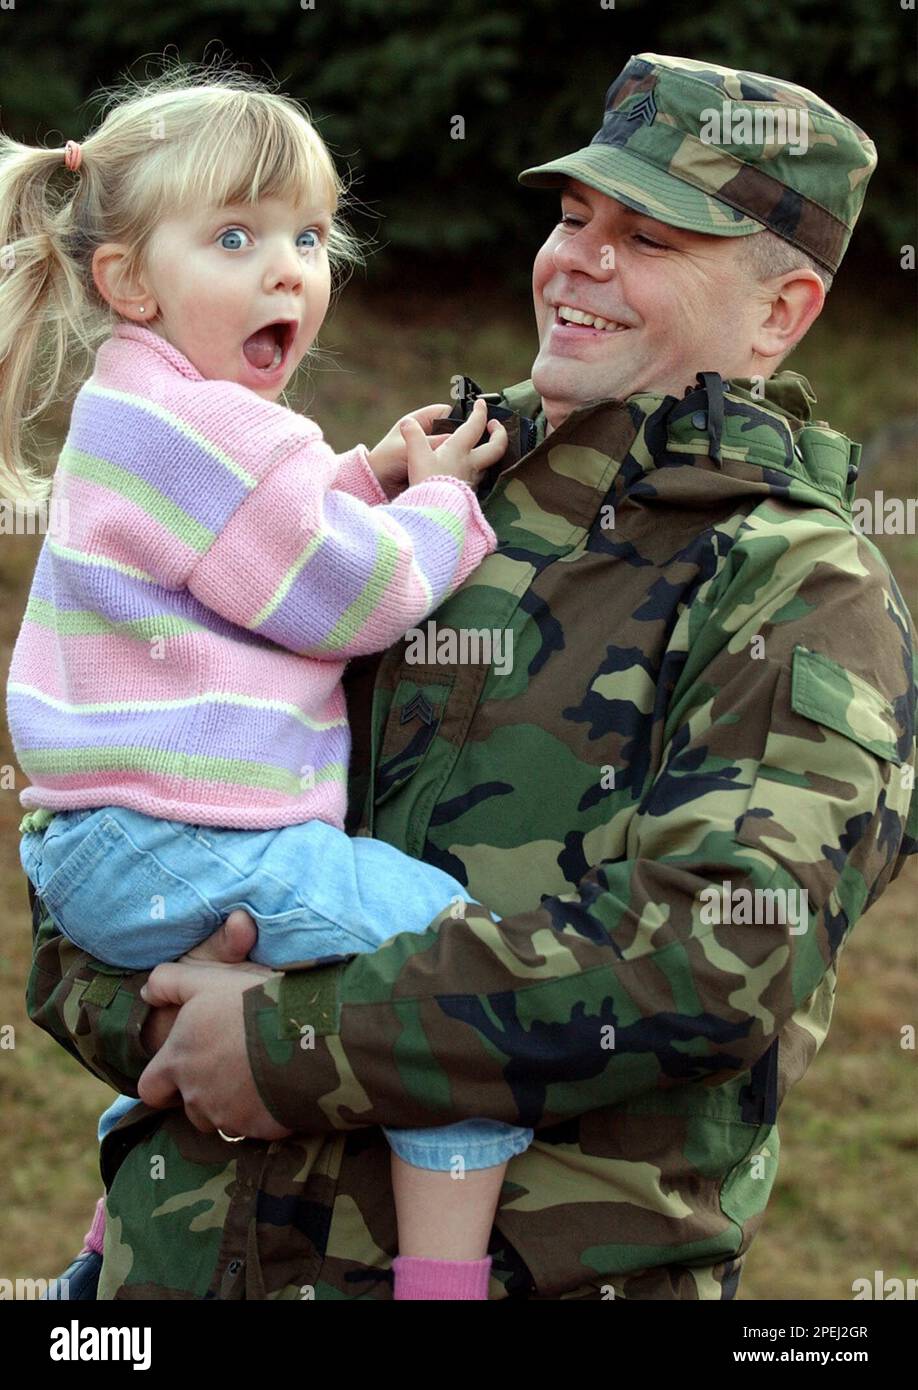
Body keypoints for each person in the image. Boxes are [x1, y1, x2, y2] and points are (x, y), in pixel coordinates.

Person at [26, 53, 916, 1300]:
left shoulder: (802, 589)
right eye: (573, 218)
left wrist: (288, 1043)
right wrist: (163, 1024)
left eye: (651, 238)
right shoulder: (422, 486)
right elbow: (124, 848)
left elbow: (720, 956)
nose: (581, 261)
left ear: (782, 312)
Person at [3, 61, 545, 1304]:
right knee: (448, 973)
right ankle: (445, 1288)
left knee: (237, 1029)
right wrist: (446, 505)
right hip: (190, 842)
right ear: (128, 279)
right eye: (236, 237)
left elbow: (249, 544)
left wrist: (372, 474)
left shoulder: (143, 408)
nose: (288, 268)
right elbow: (339, 594)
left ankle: (107, 1254)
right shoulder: (223, 432)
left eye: (307, 235)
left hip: (111, 848)